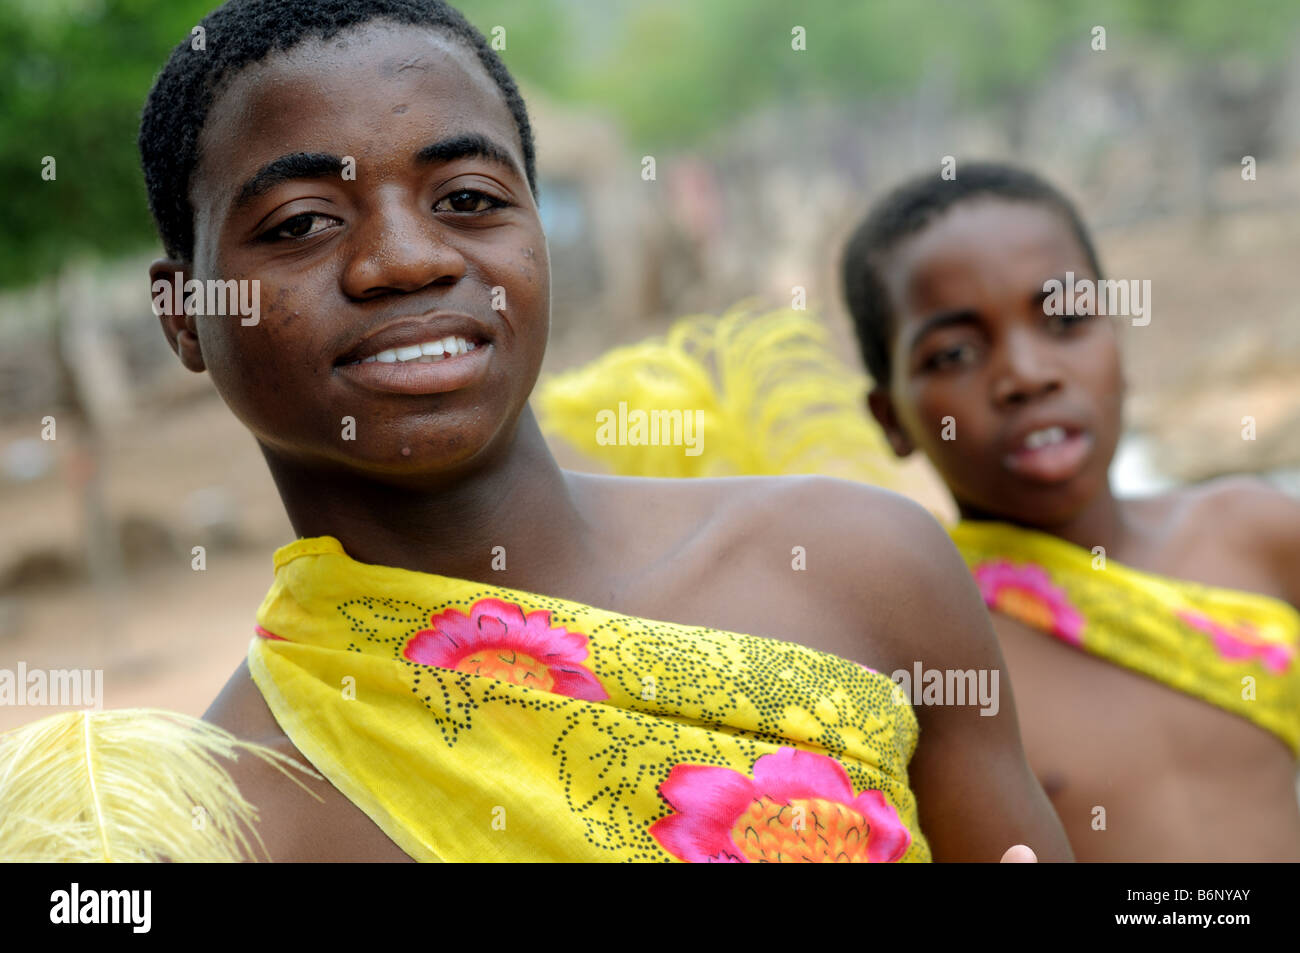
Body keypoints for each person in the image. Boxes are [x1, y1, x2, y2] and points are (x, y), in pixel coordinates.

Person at [124, 0, 1068, 862]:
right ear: (182, 313)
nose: (406, 260)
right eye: (301, 223)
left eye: (467, 199)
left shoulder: (861, 566)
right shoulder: (226, 823)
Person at [840, 162, 1300, 861]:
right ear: (890, 418)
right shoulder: (923, 653)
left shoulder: (1259, 537)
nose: (1027, 374)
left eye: (1066, 320)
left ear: (1118, 338)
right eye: (955, 352)